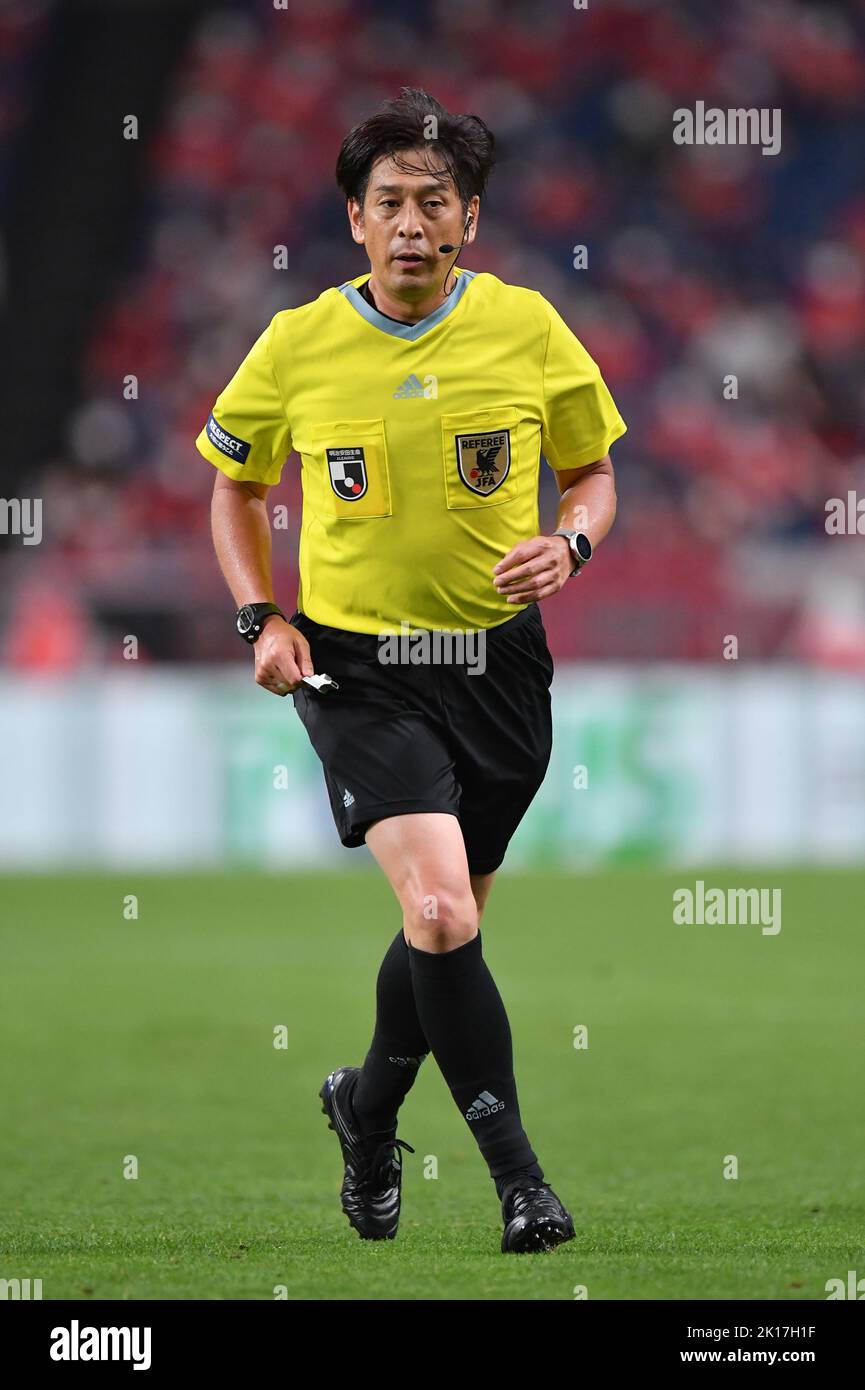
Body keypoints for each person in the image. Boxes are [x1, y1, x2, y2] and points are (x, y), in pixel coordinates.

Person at [197, 88, 625, 1254]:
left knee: (446, 930)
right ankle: (520, 1183)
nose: (410, 225)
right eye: (388, 203)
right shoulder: (296, 344)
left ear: (468, 219)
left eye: (433, 203)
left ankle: (366, 1109)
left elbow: (592, 474)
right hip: (359, 672)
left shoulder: (529, 327)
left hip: (498, 672)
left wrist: (572, 541)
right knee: (436, 904)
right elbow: (235, 487)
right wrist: (259, 617)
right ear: (353, 218)